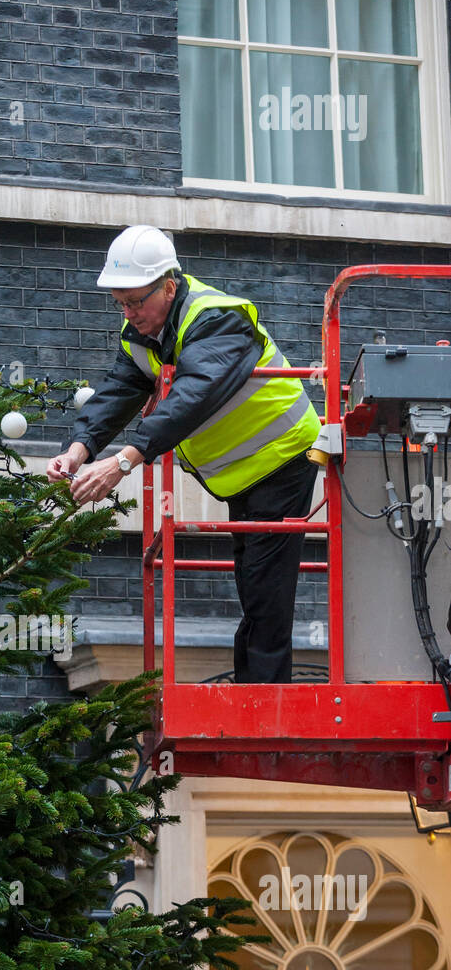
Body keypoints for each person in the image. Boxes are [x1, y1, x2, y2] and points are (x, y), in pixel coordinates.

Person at [46, 225, 322, 684]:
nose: (129, 313)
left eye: (136, 301)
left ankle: (264, 698)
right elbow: (120, 388)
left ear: (169, 287)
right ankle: (255, 688)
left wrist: (122, 462)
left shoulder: (217, 319)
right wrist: (78, 450)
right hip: (242, 472)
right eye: (121, 304)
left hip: (282, 458)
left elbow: (191, 398)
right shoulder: (147, 331)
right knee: (255, 585)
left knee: (265, 588)